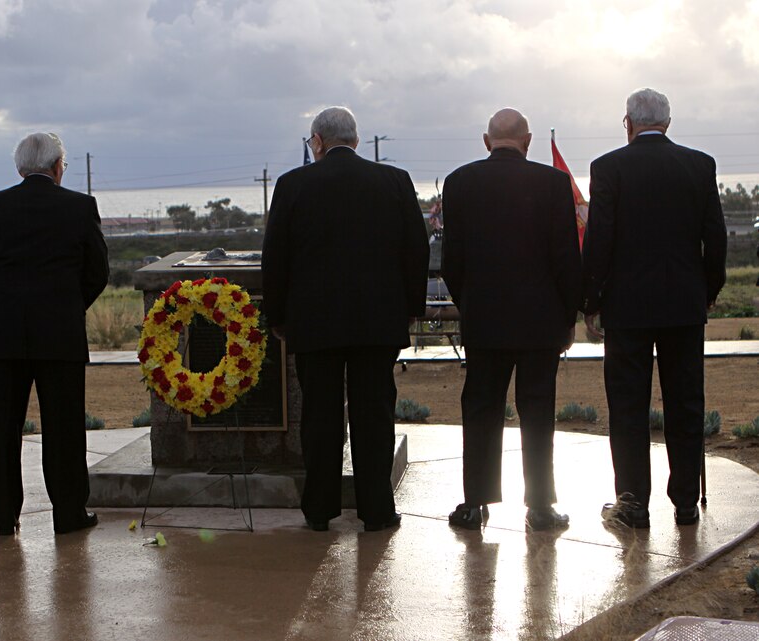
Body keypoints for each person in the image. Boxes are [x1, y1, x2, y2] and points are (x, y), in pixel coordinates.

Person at [262, 106, 428, 532]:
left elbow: (275, 257)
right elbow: (416, 250)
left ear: (317, 141)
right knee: (375, 413)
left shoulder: (292, 184)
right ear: (355, 139)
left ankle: (319, 509)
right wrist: (411, 308)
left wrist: (277, 315)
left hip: (315, 323)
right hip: (378, 322)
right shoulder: (395, 181)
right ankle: (377, 510)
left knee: (319, 415)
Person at [583, 88, 727, 528]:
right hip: (684, 306)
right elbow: (715, 239)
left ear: (628, 123)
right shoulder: (699, 166)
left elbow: (599, 241)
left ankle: (633, 505)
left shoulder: (608, 168)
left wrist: (591, 300)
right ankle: (685, 503)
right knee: (686, 403)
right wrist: (708, 290)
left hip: (627, 308)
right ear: (668, 123)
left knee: (628, 408)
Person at [441, 108, 582, 531]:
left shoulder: (459, 183)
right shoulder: (553, 184)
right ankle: (539, 507)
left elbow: (452, 261)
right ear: (528, 140)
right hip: (541, 323)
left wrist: (471, 303)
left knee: (481, 410)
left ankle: (474, 504)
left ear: (487, 141)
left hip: (484, 321)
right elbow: (565, 258)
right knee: (538, 412)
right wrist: (568, 313)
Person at [0, 133, 109, 536]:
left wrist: (5, 302)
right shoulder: (80, 207)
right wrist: (67, 305)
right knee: (64, 428)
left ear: (20, 168)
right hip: (60, 335)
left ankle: (3, 516)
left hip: (5, 334)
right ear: (58, 166)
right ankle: (68, 514)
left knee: (0, 428)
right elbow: (97, 271)